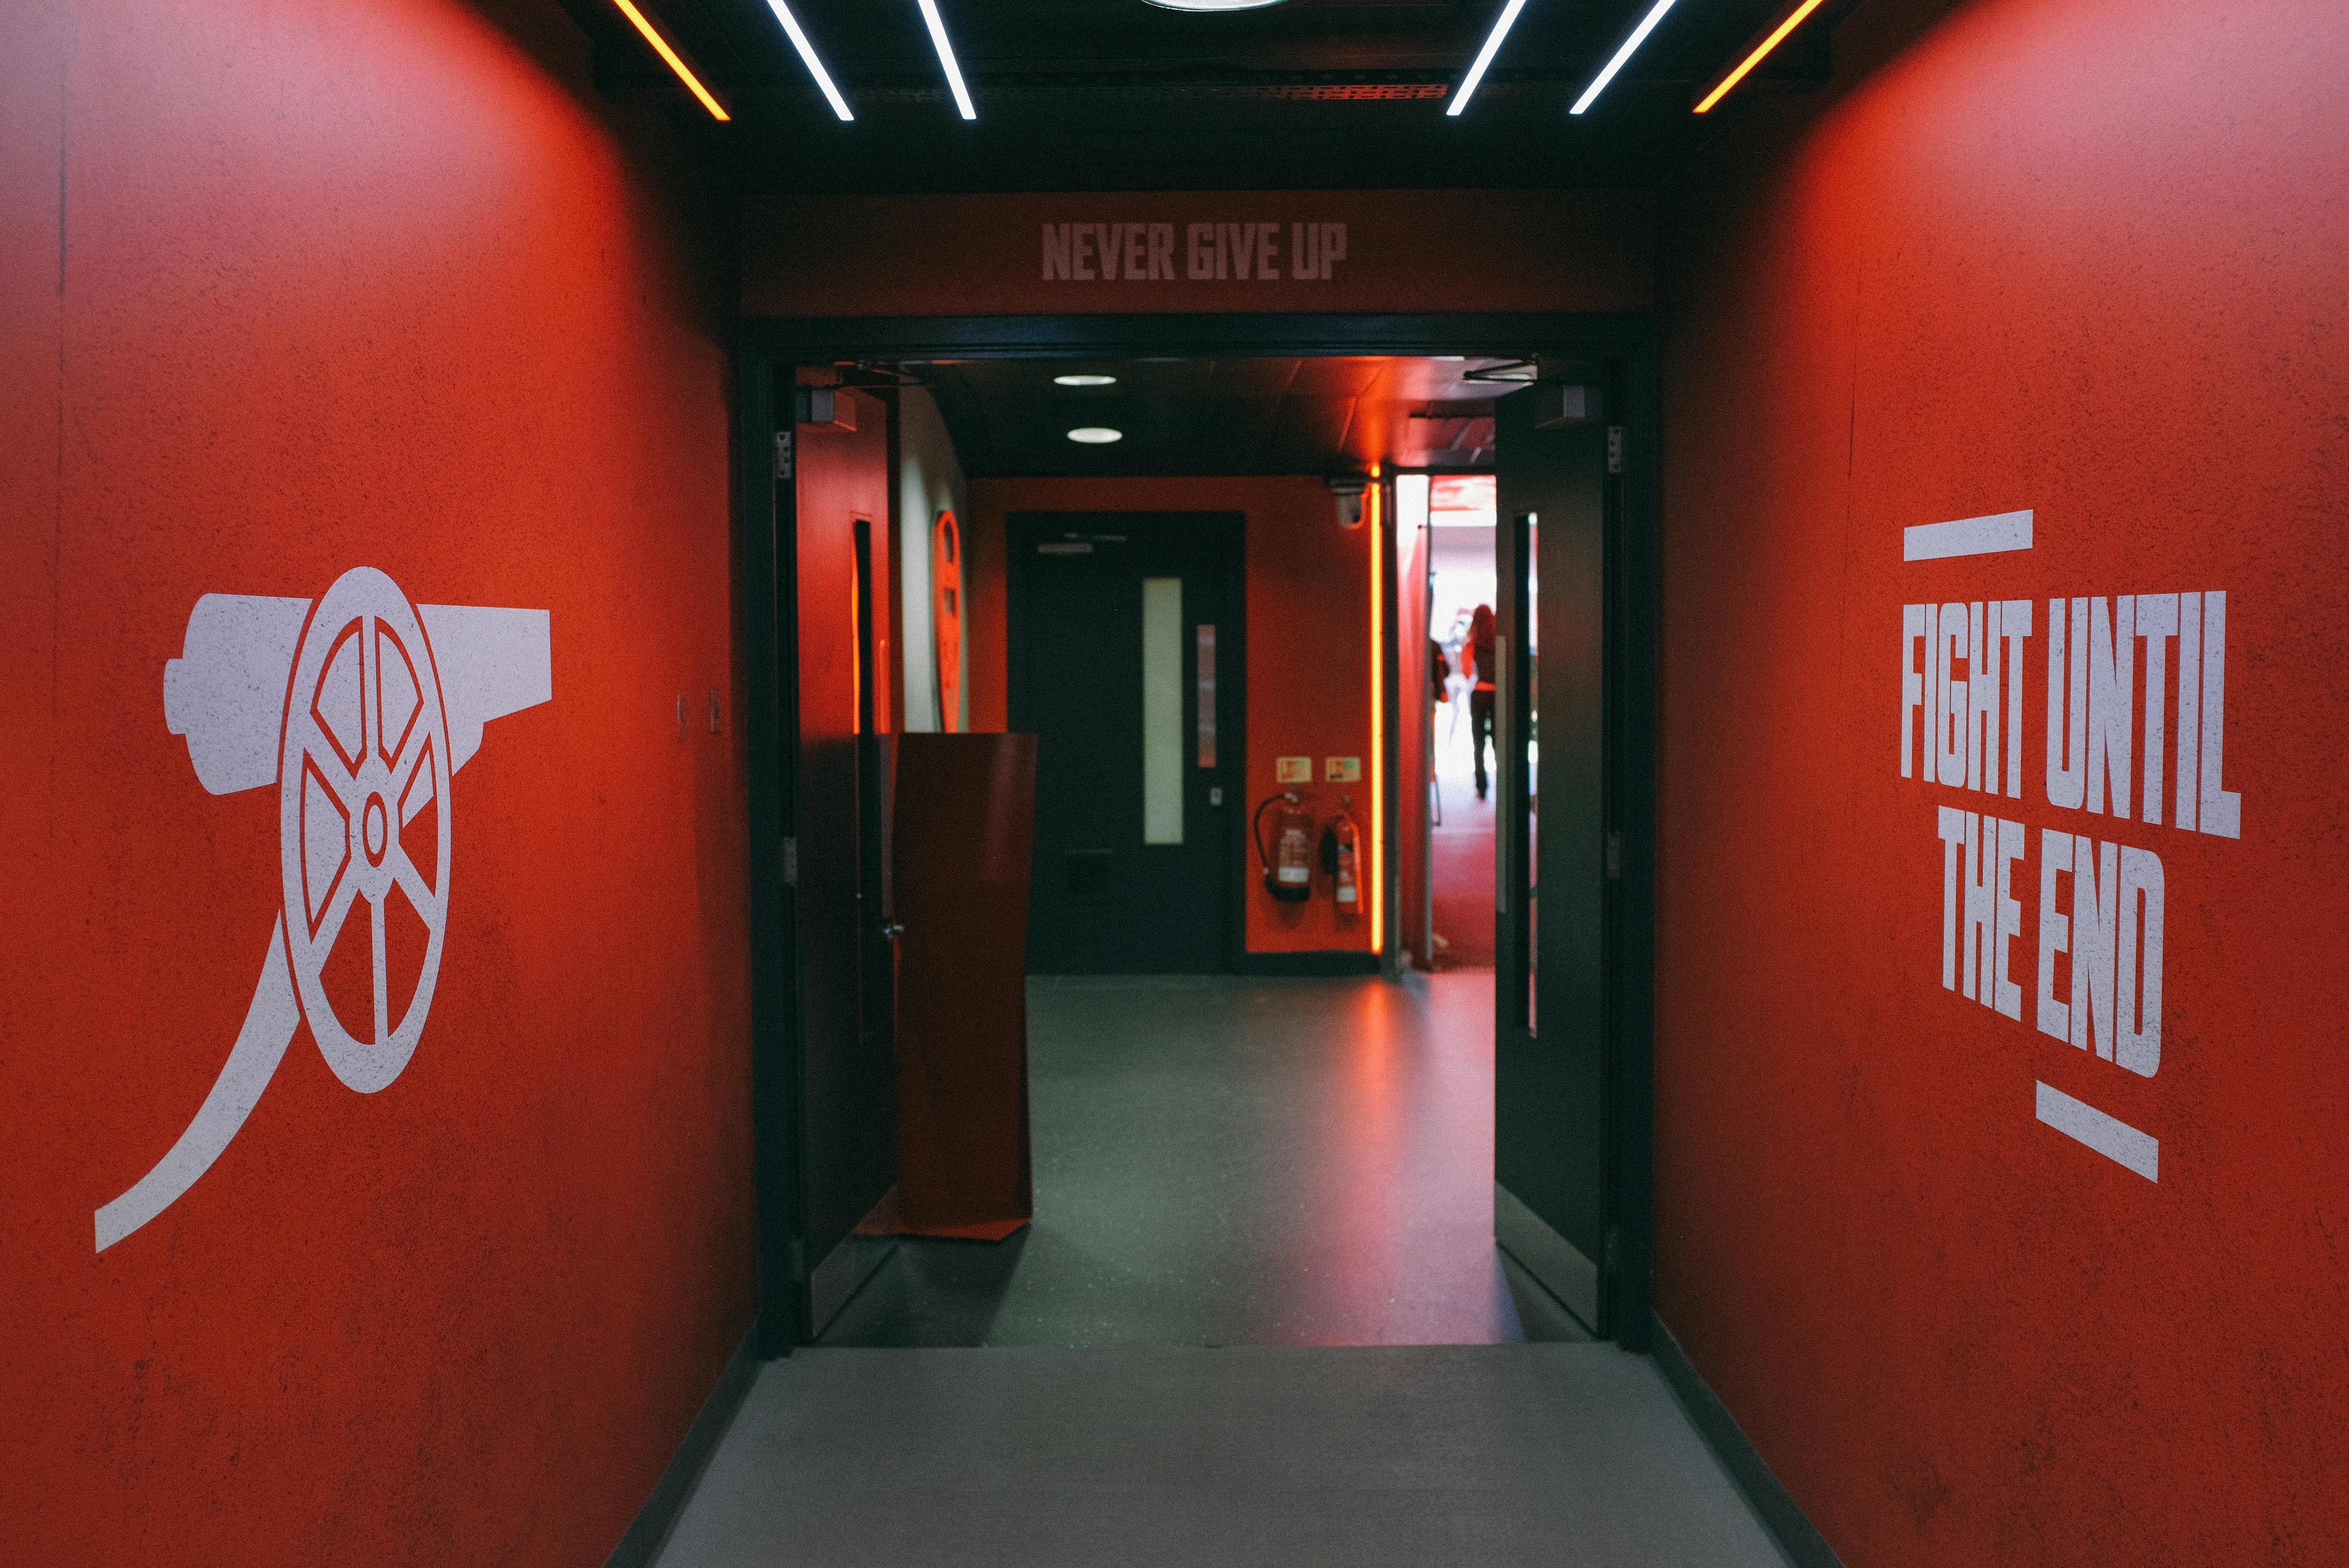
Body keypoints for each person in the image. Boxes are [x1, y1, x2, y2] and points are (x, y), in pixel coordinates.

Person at [1466, 604, 1497, 800]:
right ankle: (1503, 781)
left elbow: (1467, 671)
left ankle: (1482, 785)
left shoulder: (1472, 644)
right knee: (1498, 742)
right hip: (1497, 694)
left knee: (1479, 744)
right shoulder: (1499, 641)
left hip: (1479, 694)